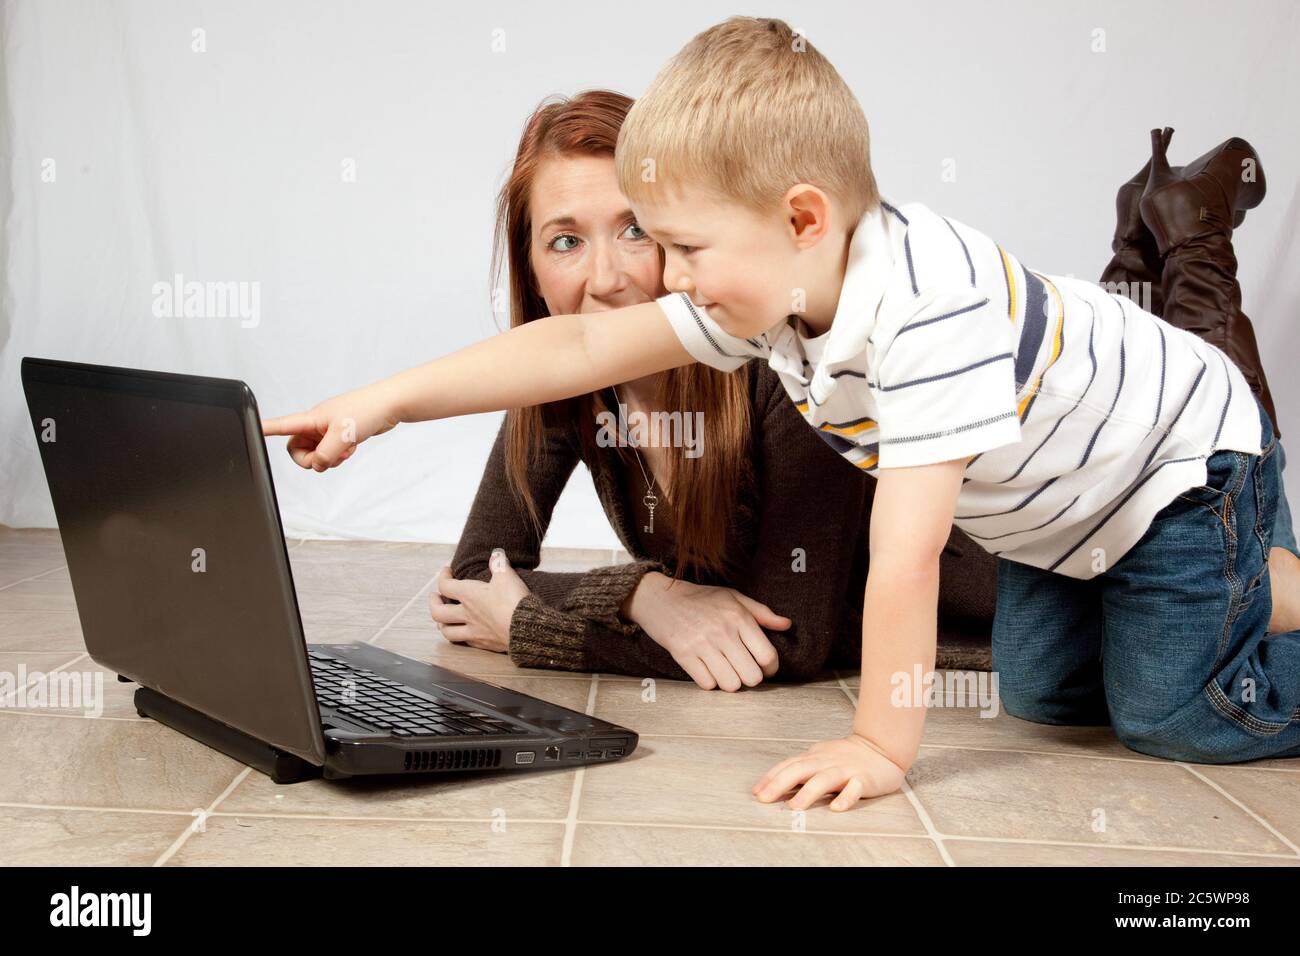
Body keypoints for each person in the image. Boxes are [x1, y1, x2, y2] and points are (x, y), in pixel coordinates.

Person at [264, 17, 1300, 812]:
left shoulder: (923, 315)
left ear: (801, 216)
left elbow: (904, 556)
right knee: (1044, 695)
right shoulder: (775, 293)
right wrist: (381, 400)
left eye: (677, 245)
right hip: (1063, 514)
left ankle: (1240, 572)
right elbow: (573, 347)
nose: (659, 277)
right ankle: (1245, 582)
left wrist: (881, 745)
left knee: (1172, 714)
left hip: (1174, 469)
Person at [428, 90, 998, 690]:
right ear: (533, 269)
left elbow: (789, 638)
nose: (606, 280)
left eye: (635, 231)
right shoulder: (561, 376)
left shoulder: (780, 356)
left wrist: (531, 628)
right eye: (565, 242)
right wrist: (646, 596)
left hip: (1026, 599)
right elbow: (475, 575)